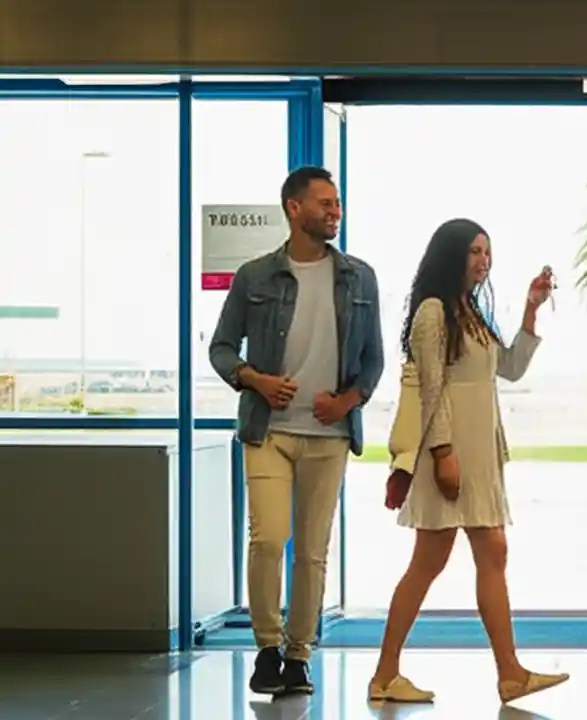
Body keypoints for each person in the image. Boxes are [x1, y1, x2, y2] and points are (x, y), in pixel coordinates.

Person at [367, 218, 567, 705]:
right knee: (432, 562)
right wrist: (442, 454)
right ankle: (390, 674)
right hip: (451, 456)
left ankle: (507, 673)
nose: (483, 260)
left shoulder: (470, 312)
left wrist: (530, 310)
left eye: (487, 251)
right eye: (475, 251)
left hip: (478, 456)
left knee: (483, 554)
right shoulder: (433, 313)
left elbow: (511, 368)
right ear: (452, 255)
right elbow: (432, 390)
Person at [208, 166, 384, 696]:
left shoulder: (359, 277)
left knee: (311, 550)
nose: (335, 212)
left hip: (329, 438)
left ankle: (299, 654)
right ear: (294, 207)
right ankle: (266, 647)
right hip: (269, 431)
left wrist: (347, 401)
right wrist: (254, 379)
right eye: (325, 203)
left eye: (338, 204)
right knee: (268, 539)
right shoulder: (255, 276)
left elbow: (373, 361)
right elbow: (220, 348)